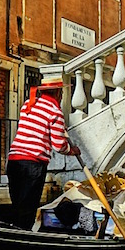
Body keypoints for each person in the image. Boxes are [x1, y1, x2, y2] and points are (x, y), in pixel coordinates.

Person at [7, 76, 80, 230]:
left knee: (18, 205)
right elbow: (59, 145)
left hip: (14, 160)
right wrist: (72, 151)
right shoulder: (55, 112)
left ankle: (16, 236)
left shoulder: (28, 104)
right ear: (58, 93)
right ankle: (22, 238)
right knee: (28, 209)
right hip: (33, 164)